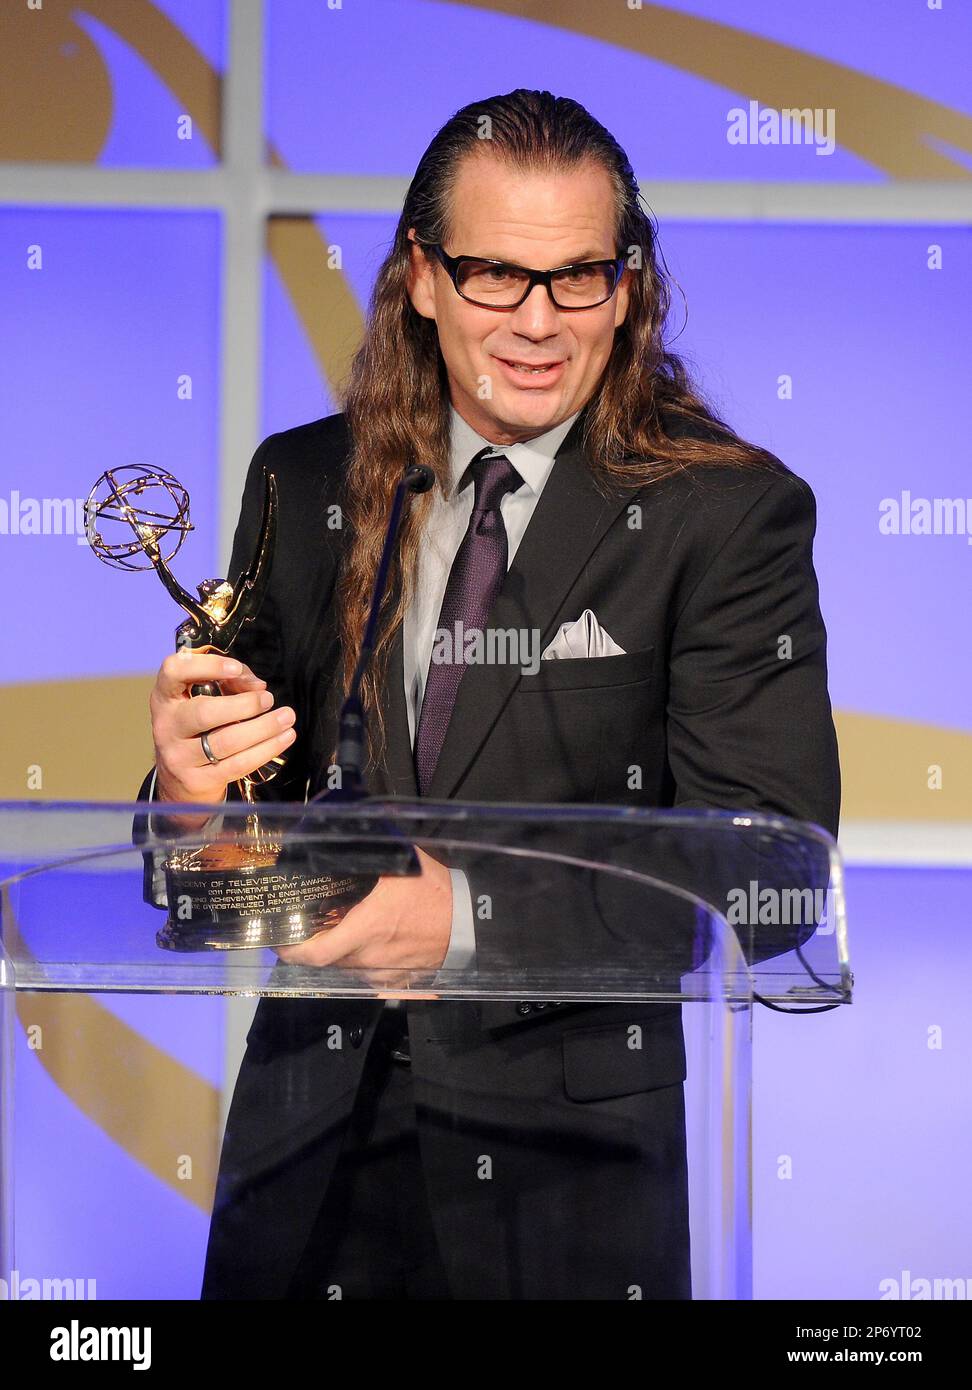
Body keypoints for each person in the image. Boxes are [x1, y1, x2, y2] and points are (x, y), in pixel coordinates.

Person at [136, 89, 840, 1300]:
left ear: (628, 284)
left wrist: (466, 918)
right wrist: (188, 798)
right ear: (421, 276)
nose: (539, 321)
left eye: (579, 277)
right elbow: (206, 867)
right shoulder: (306, 479)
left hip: (566, 1194)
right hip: (306, 1170)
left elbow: (767, 873)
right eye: (497, 274)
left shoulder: (724, 512)